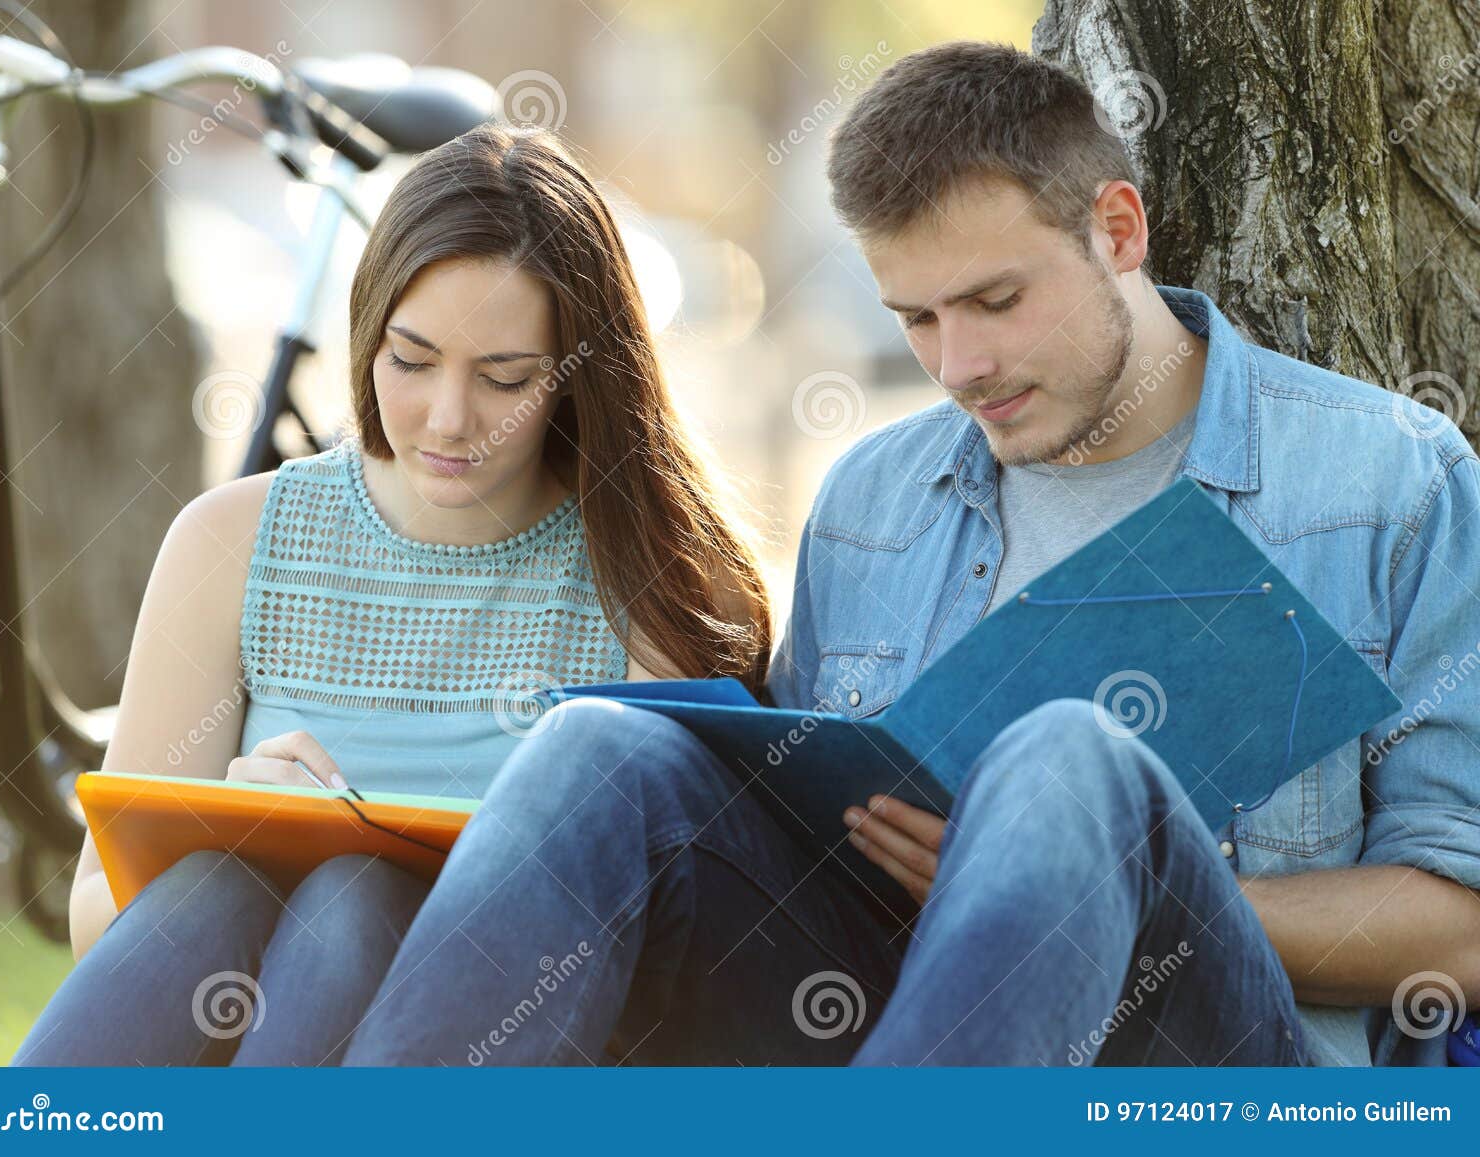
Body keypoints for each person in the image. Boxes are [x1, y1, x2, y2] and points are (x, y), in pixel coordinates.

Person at [338, 43, 1480, 1067]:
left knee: (1068, 761)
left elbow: (1462, 932)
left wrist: (1078, 876)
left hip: (1207, 1072)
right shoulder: (871, 503)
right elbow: (793, 835)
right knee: (603, 746)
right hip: (887, 1025)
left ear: (1118, 231)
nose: (959, 364)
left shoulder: (1385, 483)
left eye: (995, 300)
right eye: (917, 319)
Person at [13, 124, 771, 1066]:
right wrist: (223, 832)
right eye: (410, 361)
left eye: (505, 378)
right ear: (367, 336)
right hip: (230, 1019)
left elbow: (680, 968)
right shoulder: (229, 541)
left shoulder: (658, 582)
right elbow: (96, 915)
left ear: (581, 377)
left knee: (353, 900)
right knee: (217, 888)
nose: (449, 419)